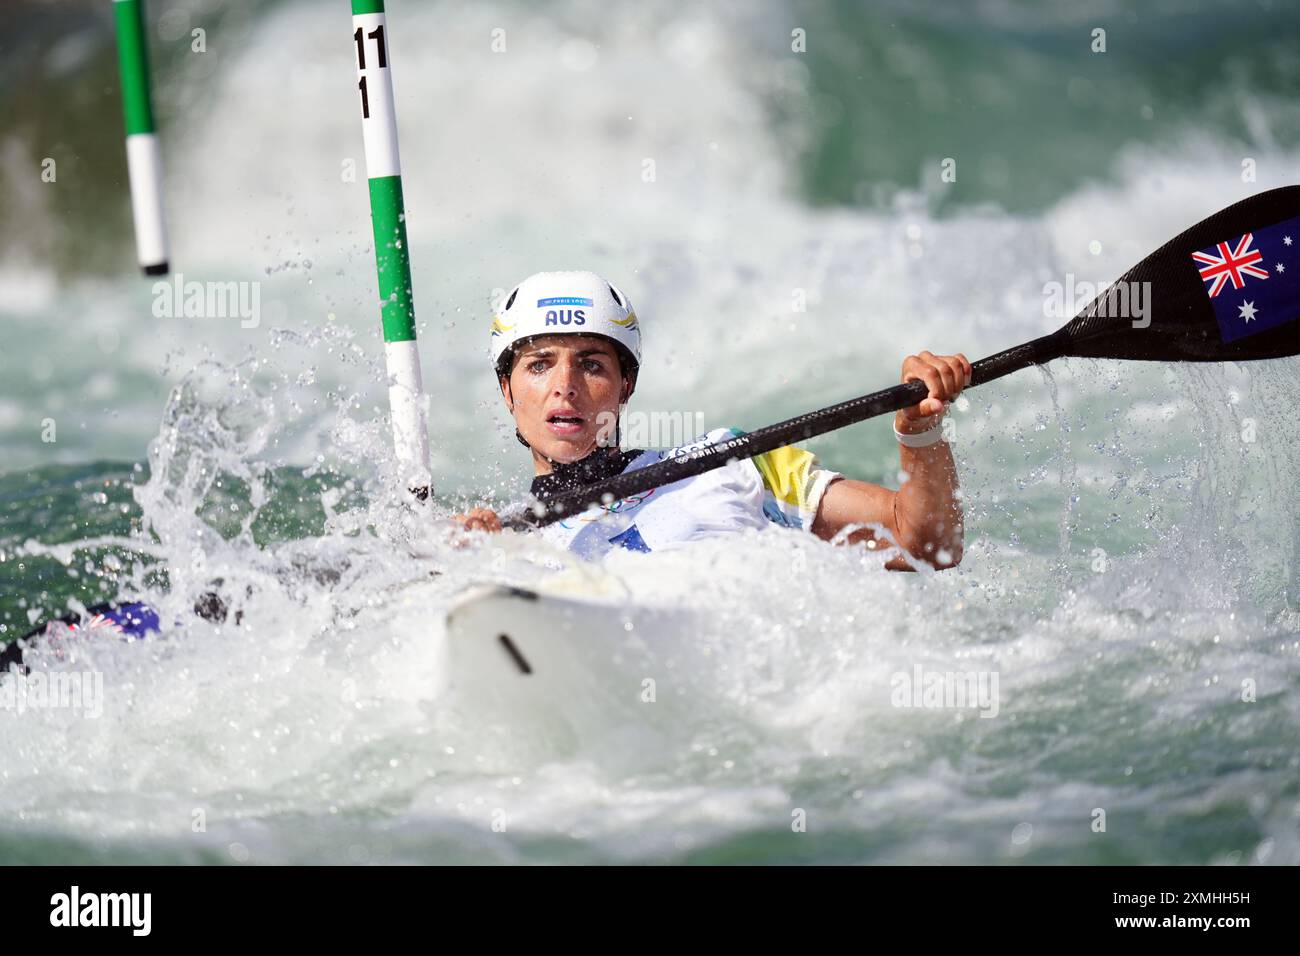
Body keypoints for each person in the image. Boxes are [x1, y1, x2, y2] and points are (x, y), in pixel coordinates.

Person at [456, 270, 970, 569]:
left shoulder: (731, 463)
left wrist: (918, 431)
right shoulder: (501, 544)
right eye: (539, 365)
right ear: (507, 390)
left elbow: (927, 545)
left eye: (592, 364)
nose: (565, 384)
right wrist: (465, 565)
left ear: (625, 386)